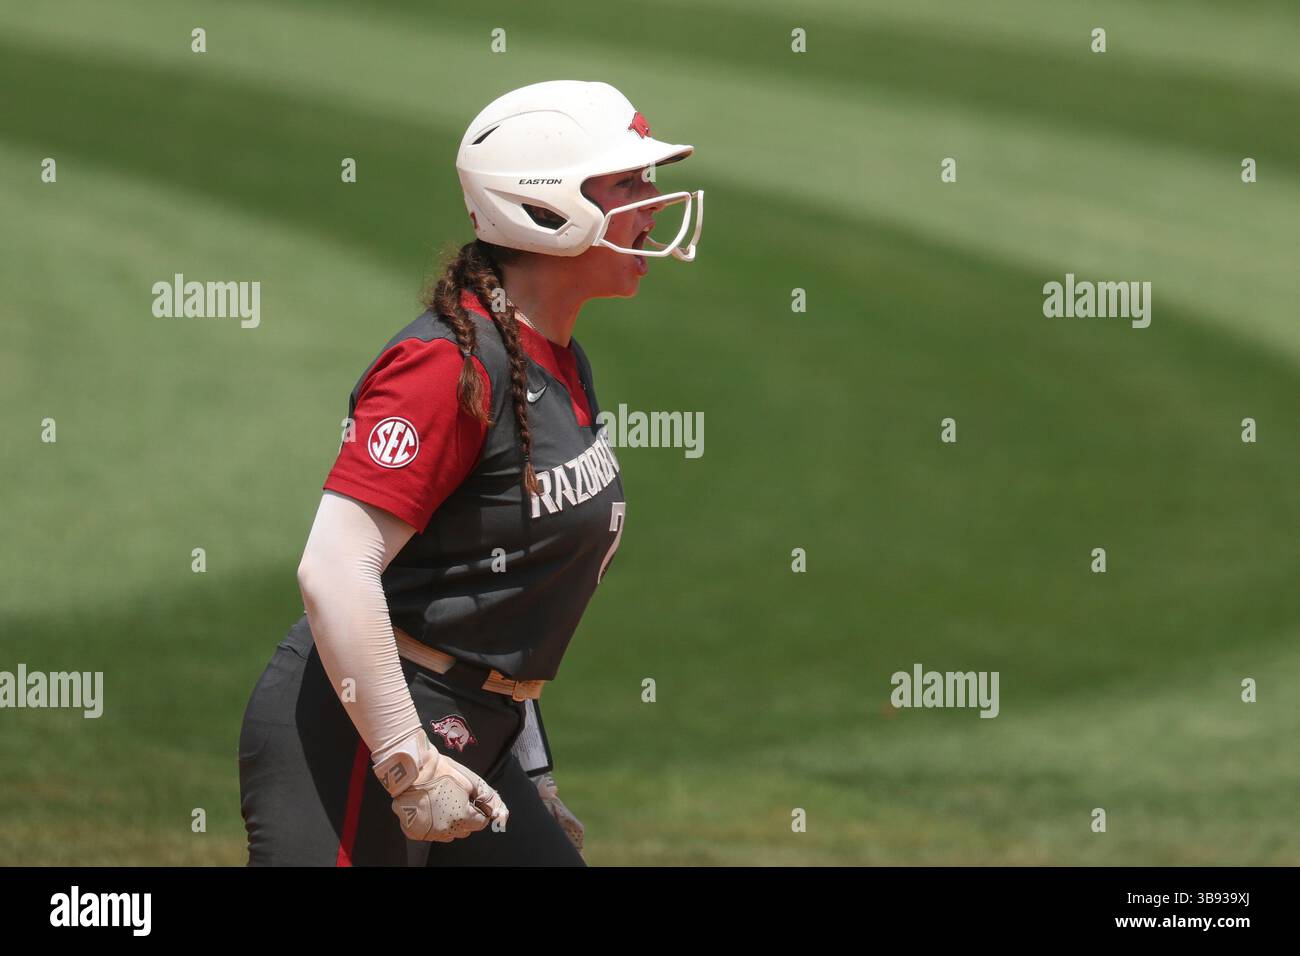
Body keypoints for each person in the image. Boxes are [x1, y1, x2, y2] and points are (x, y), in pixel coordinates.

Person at [237, 79, 704, 865]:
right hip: (359, 737)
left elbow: (506, 610)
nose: (654, 201)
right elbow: (332, 569)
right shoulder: (445, 365)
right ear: (548, 204)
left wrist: (534, 770)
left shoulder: (553, 356)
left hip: (477, 742)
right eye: (629, 182)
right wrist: (408, 763)